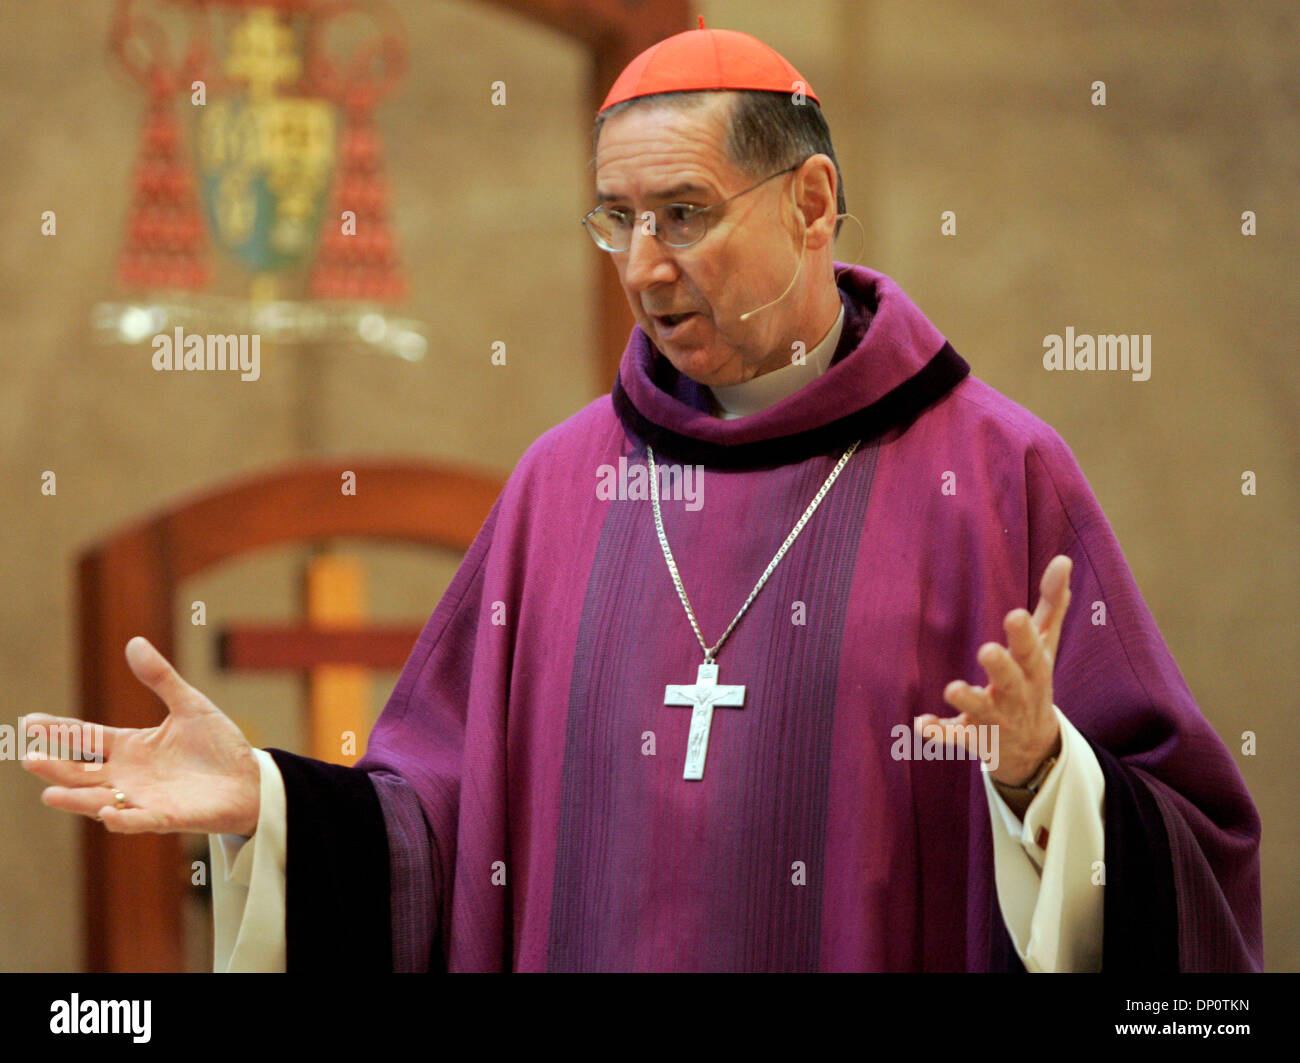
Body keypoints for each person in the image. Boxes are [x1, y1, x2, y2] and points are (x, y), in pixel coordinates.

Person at [23, 25, 1261, 973]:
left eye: (683, 215)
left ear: (813, 203)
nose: (644, 265)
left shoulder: (993, 474)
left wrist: (1048, 779)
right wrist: (278, 805)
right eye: (613, 220)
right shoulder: (564, 487)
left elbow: (1192, 844)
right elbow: (445, 830)